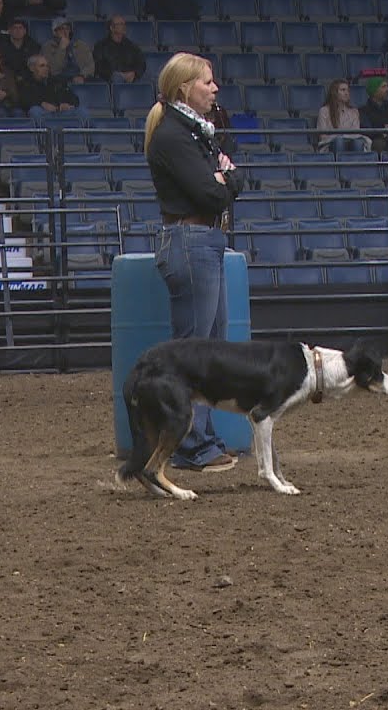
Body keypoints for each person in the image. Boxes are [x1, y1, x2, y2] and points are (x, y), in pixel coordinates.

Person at [143, 52, 245, 473]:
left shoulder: (191, 133)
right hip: (191, 240)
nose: (215, 88)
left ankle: (201, 439)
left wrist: (224, 180)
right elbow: (211, 194)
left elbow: (224, 182)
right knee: (195, 350)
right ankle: (187, 443)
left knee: (210, 347)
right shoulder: (174, 136)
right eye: (207, 82)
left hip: (202, 240)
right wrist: (224, 180)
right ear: (185, 88)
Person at [19, 53, 86, 123]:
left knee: (81, 111)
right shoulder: (26, 83)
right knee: (35, 110)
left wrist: (66, 104)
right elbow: (24, 101)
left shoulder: (56, 81)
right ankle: (50, 132)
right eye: (42, 66)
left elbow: (74, 98)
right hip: (43, 114)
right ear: (32, 68)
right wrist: (42, 104)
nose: (46, 69)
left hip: (60, 113)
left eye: (47, 66)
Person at [315, 79, 369, 152]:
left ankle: (357, 162)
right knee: (339, 141)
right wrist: (340, 137)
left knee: (358, 142)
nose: (347, 93)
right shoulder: (324, 111)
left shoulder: (354, 112)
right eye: (343, 90)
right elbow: (323, 137)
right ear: (334, 93)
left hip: (351, 143)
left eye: (347, 90)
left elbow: (355, 134)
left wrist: (343, 136)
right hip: (330, 145)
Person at [93, 15, 145, 83]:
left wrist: (134, 73)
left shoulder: (131, 46)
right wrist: (118, 75)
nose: (123, 26)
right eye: (120, 24)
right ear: (111, 28)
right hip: (110, 79)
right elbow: (98, 66)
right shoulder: (101, 46)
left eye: (124, 24)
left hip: (130, 78)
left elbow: (141, 62)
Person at [43, 16, 94, 84]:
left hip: (80, 78)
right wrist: (61, 49)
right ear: (54, 32)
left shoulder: (81, 45)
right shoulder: (47, 47)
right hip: (58, 81)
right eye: (61, 29)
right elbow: (52, 70)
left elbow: (90, 65)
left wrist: (82, 75)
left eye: (67, 29)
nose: (65, 32)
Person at [358, 76, 388, 154]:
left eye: (387, 86)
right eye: (383, 87)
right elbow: (367, 129)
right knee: (379, 144)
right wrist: (383, 130)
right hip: (377, 139)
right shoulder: (363, 111)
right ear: (374, 91)